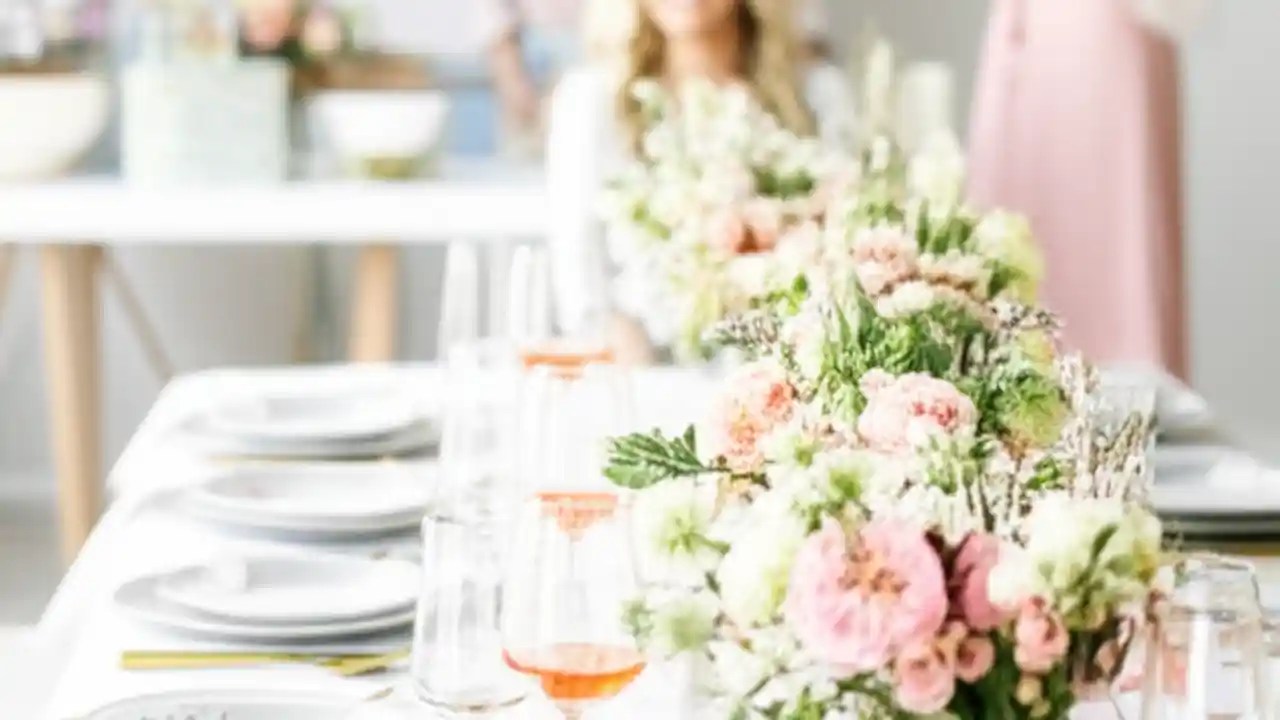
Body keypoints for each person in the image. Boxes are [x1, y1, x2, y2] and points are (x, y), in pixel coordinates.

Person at [545, 0, 855, 363]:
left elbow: (847, 249)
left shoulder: (818, 94)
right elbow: (579, 279)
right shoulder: (592, 99)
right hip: (643, 375)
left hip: (784, 372)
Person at [967, 0, 1204, 379]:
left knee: (1116, 207)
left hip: (1104, 26)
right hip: (1034, 25)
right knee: (1029, 198)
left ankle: (1123, 385)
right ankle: (1024, 386)